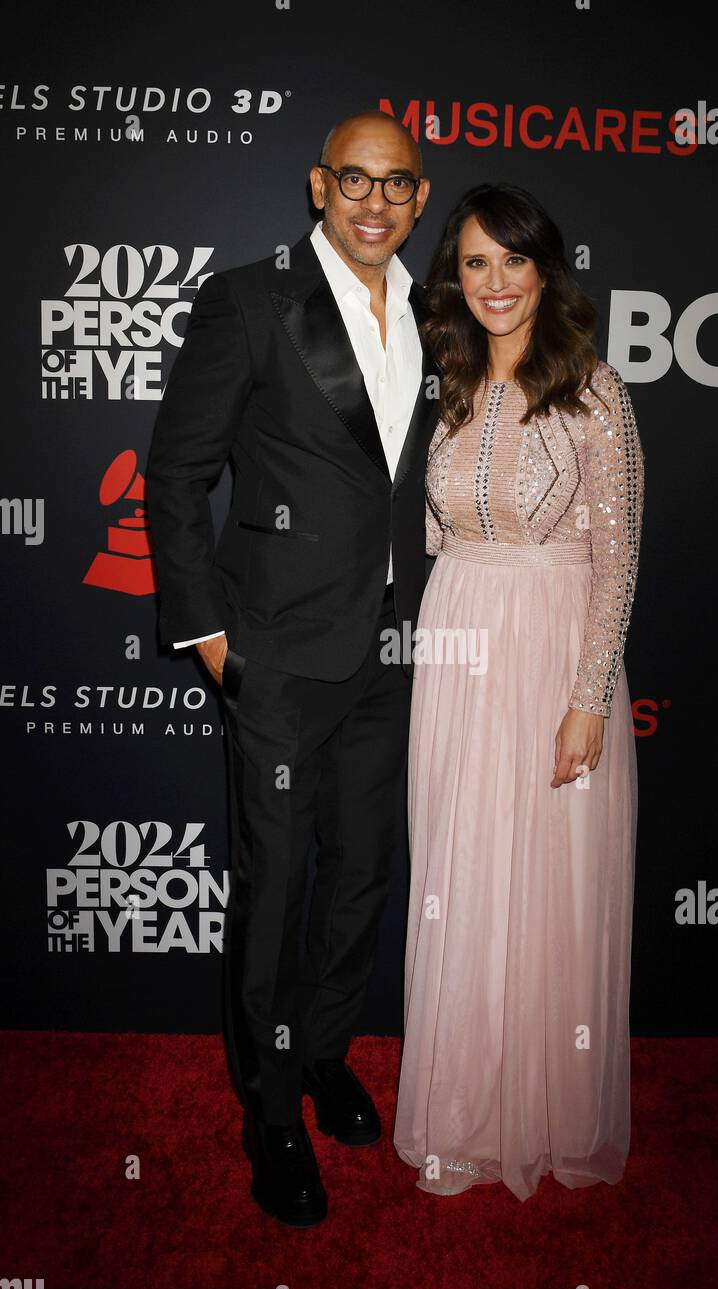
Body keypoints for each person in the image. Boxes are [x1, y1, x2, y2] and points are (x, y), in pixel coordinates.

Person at [146, 111, 435, 1227]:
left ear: (418, 198)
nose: (373, 202)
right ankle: (268, 1108)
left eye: (396, 183)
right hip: (273, 655)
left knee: (361, 870)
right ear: (319, 187)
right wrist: (214, 640)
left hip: (390, 652)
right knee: (275, 893)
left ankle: (321, 1055)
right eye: (353, 180)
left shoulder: (433, 311)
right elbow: (176, 477)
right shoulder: (250, 298)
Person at [393, 183, 645, 1201]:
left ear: (545, 267)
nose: (493, 281)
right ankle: (465, 1108)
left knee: (549, 878)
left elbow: (617, 557)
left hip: (552, 645)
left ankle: (545, 1111)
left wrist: (588, 696)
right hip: (458, 642)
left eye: (510, 259)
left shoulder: (592, 389)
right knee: (463, 871)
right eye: (473, 263)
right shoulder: (446, 382)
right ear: (454, 278)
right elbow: (438, 538)